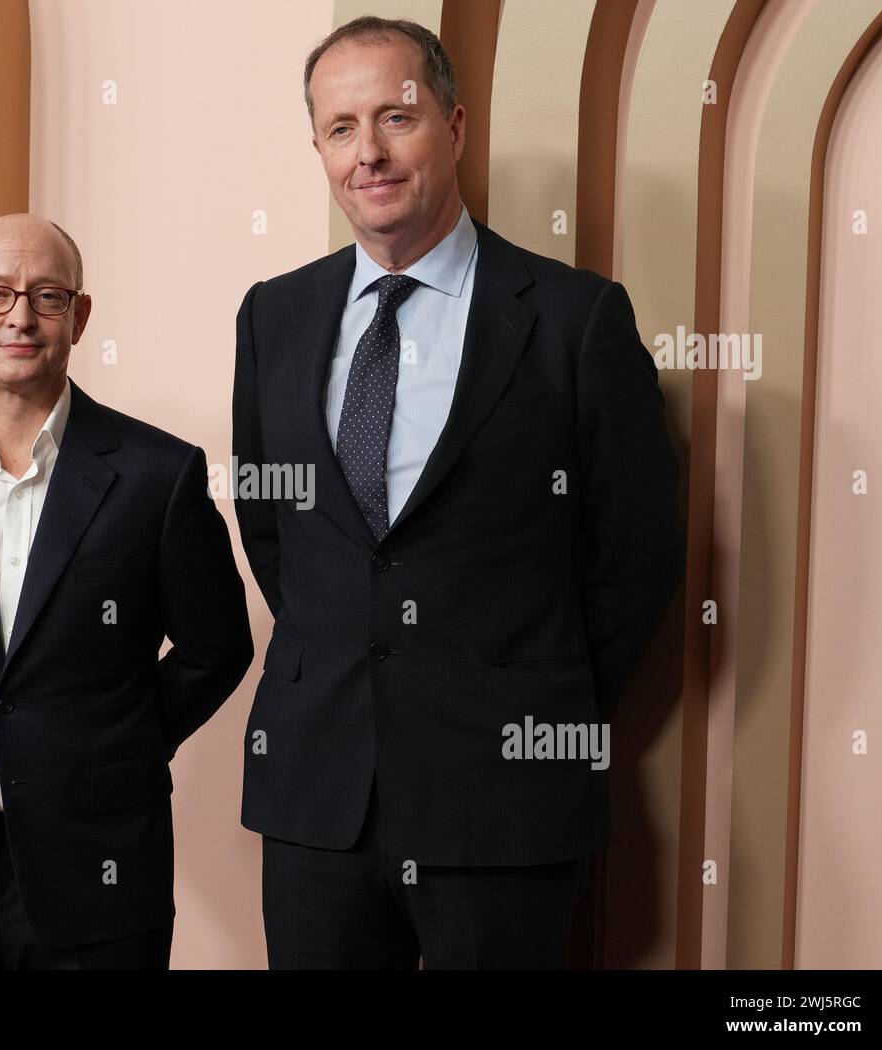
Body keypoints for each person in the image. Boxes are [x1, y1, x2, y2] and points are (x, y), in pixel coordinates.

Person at [232, 16, 685, 969]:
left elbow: (634, 557)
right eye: (341, 128)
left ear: (455, 126)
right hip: (321, 796)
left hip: (506, 795)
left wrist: (524, 694)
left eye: (396, 117)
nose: (370, 153)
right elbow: (274, 528)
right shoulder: (274, 315)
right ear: (318, 146)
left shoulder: (574, 319)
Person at [0, 213, 252, 968]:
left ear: (81, 315)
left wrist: (117, 740)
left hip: (101, 868)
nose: (20, 318)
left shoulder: (157, 475)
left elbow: (216, 646)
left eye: (47, 296)